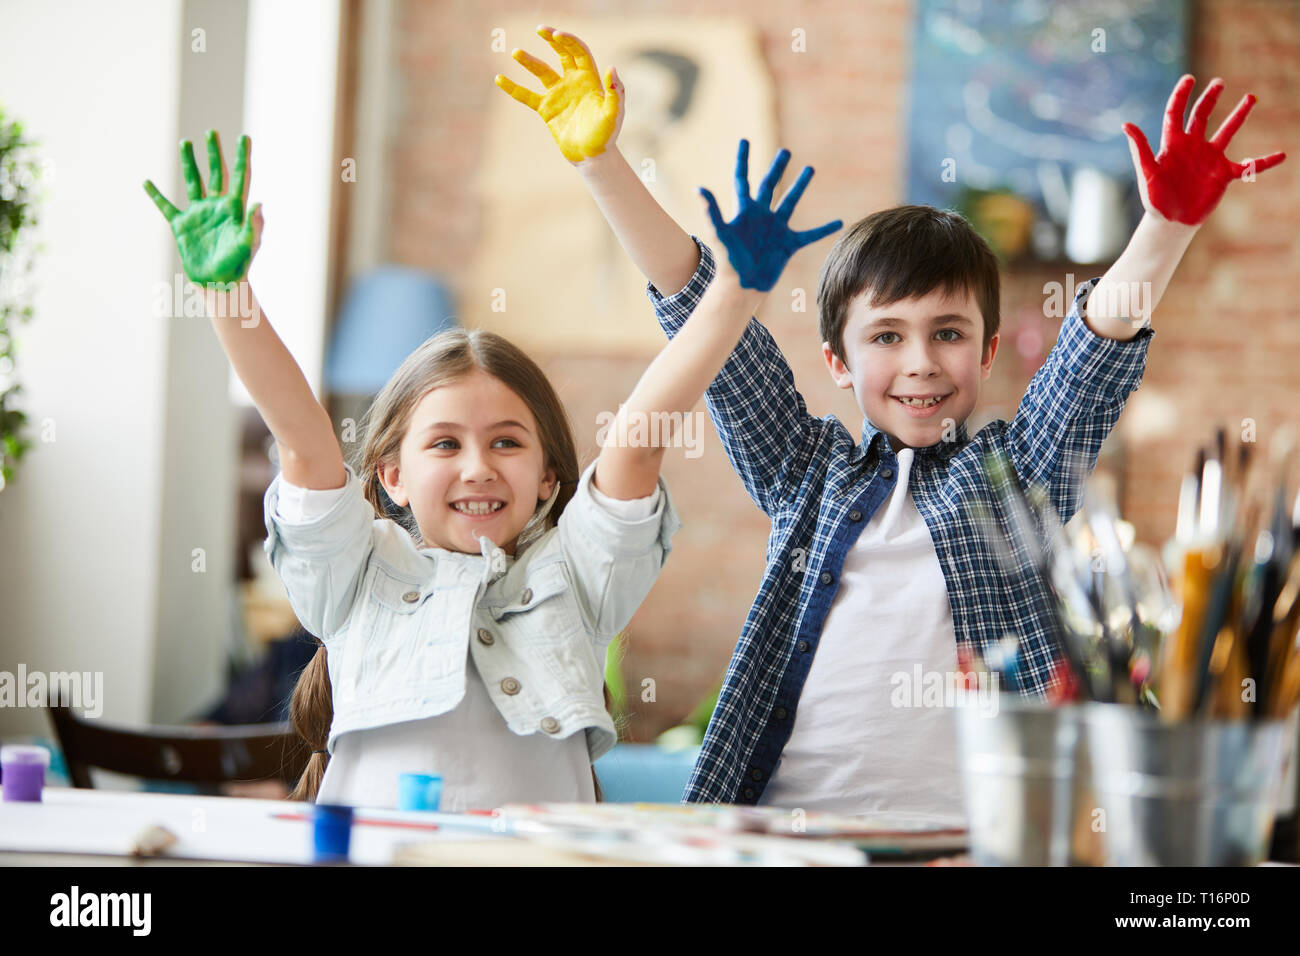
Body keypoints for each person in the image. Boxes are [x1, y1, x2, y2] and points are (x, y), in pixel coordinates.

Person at [498, 28, 1286, 815]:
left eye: (948, 333)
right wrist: (602, 166)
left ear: (984, 357)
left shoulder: (1017, 480)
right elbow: (702, 314)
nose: (919, 363)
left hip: (972, 842)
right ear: (838, 361)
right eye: (886, 336)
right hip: (783, 836)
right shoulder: (804, 471)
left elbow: (1091, 358)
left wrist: (1167, 227)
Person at [142, 124, 837, 809]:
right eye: (444, 445)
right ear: (392, 476)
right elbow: (304, 443)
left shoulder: (578, 572)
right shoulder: (354, 571)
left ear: (547, 479)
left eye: (506, 442)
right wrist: (228, 297)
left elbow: (638, 439)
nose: (478, 467)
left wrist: (734, 293)